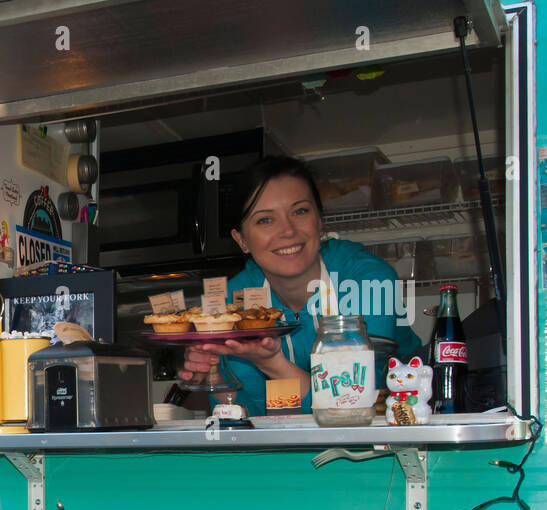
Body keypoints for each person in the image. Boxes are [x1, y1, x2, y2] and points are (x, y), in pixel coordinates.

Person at [179, 157, 422, 413]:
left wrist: (273, 363)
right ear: (242, 240)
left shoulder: (369, 280)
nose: (288, 231)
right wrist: (216, 378)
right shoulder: (235, 302)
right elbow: (255, 415)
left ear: (320, 220)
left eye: (300, 211)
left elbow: (354, 404)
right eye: (265, 220)